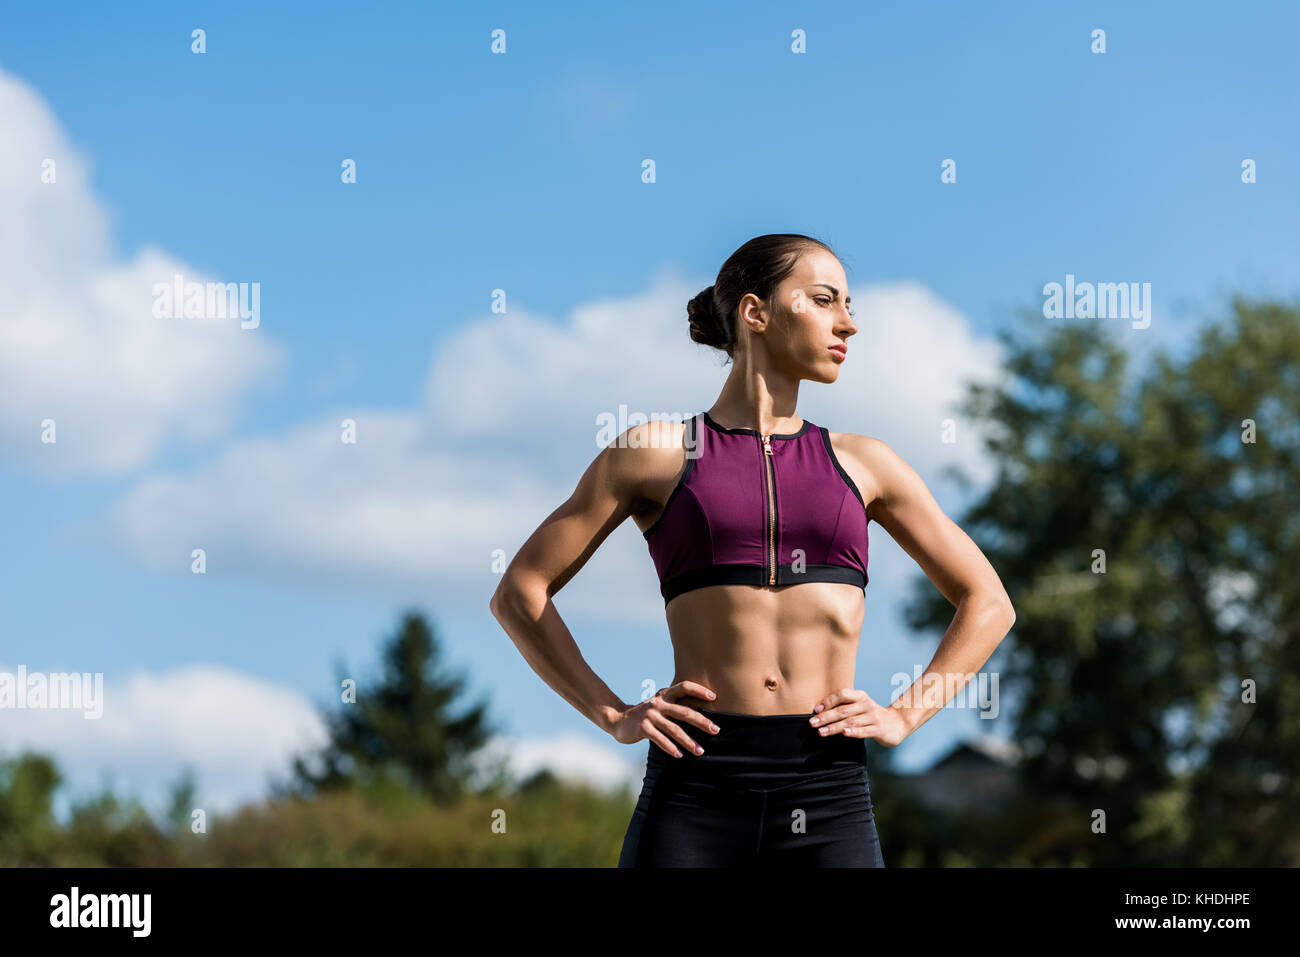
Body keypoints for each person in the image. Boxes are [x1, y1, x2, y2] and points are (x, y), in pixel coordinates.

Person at [489, 233, 1016, 867]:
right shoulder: (655, 452)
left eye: (848, 303)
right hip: (693, 788)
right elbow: (519, 592)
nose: (848, 322)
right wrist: (613, 713)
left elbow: (989, 601)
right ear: (755, 312)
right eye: (824, 300)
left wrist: (906, 715)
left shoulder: (867, 464)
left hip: (828, 786)